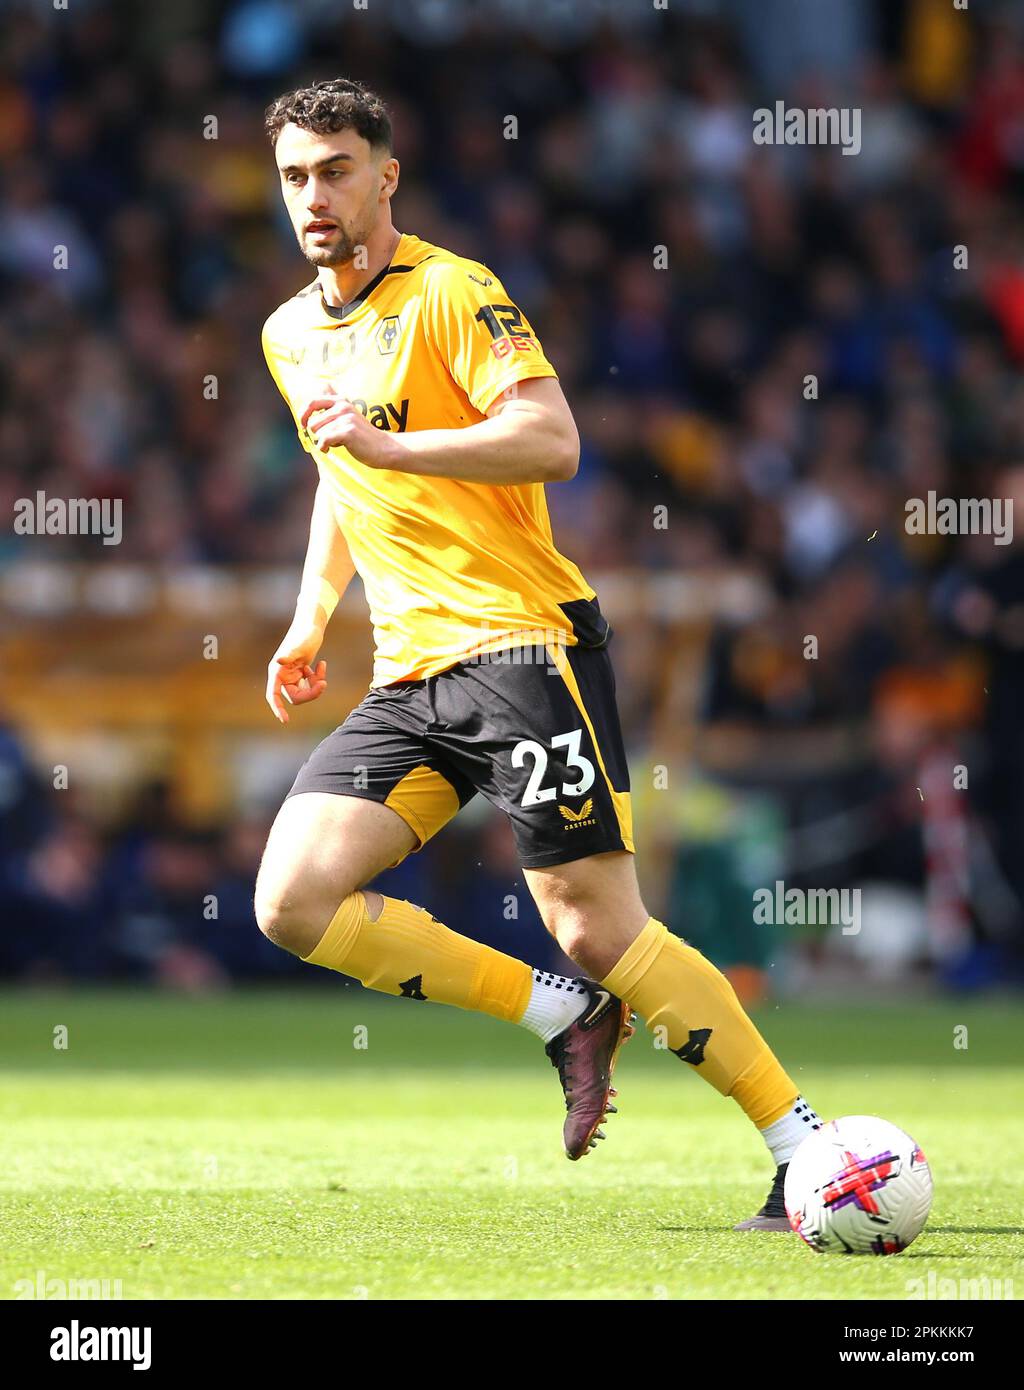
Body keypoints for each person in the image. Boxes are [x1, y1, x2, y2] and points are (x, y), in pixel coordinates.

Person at [255, 77, 819, 1226]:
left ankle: (798, 1141)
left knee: (596, 924)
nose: (314, 197)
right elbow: (338, 475)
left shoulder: (456, 292)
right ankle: (559, 1017)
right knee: (293, 900)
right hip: (410, 672)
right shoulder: (286, 331)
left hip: (519, 645)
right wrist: (312, 617)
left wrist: (389, 445)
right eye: (294, 177)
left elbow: (551, 440)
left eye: (336, 171)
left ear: (386, 175)